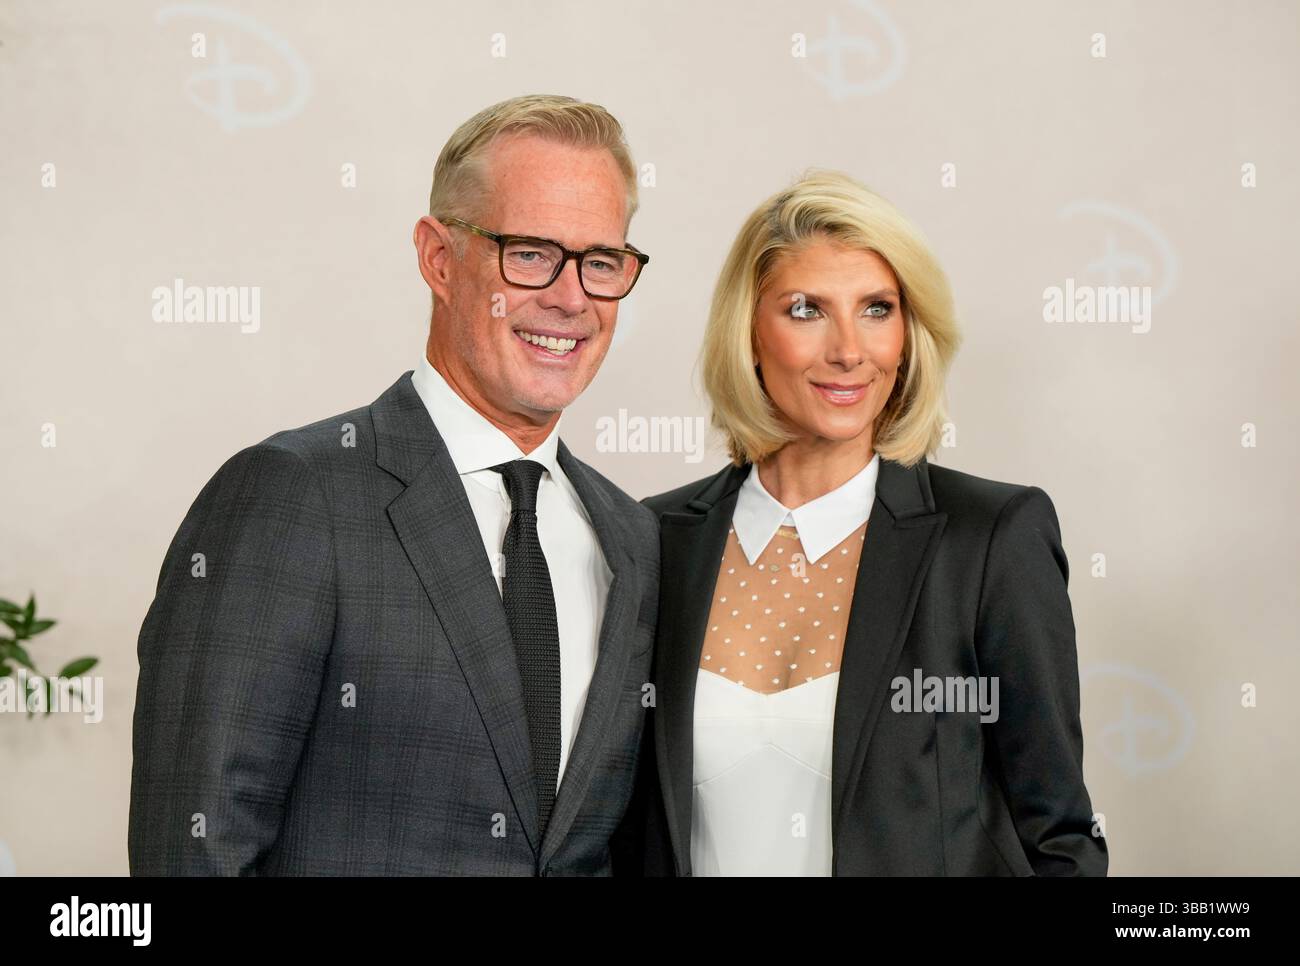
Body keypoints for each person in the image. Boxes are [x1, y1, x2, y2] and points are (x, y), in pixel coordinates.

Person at [129, 94, 658, 876]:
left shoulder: (632, 539)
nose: (571, 297)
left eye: (601, 262)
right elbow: (194, 852)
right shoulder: (293, 496)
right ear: (439, 260)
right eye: (532, 253)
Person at [636, 170, 1107, 875]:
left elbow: (1060, 838)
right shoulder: (654, 539)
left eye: (877, 309)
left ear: (909, 335)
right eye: (806, 310)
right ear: (749, 333)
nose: (849, 350)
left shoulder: (990, 540)